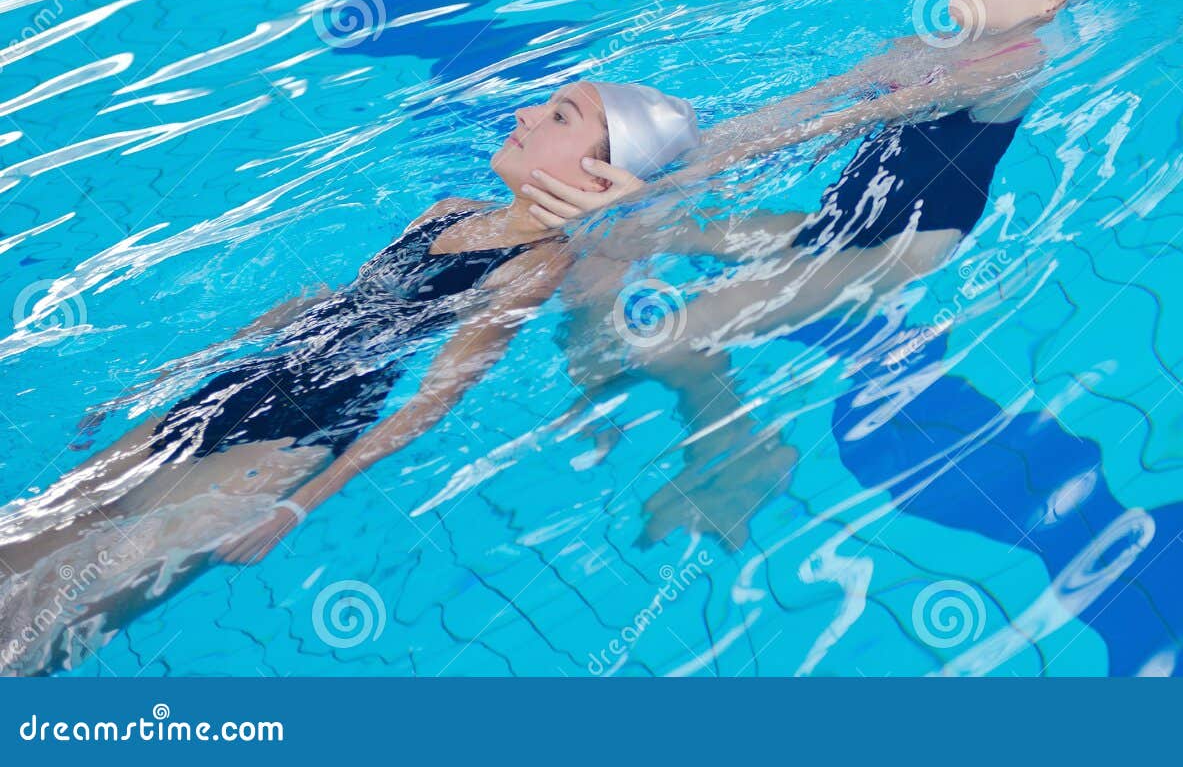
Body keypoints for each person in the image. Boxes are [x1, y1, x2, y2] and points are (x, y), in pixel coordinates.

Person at [0, 80, 697, 675]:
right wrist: (162, 379)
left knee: (93, 595)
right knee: (35, 528)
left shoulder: (538, 263)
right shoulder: (448, 211)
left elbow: (438, 394)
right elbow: (325, 299)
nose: (524, 115)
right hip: (239, 386)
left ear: (598, 176)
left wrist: (300, 503)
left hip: (303, 431)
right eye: (543, 105)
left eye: (558, 118)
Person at [524, 0, 1129, 548]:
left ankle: (745, 448)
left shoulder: (1014, 63)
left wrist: (670, 183)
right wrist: (682, 160)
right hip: (833, 223)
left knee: (668, 335)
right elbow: (805, 106)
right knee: (616, 235)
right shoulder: (924, 47)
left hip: (890, 254)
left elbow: (830, 126)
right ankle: (595, 381)